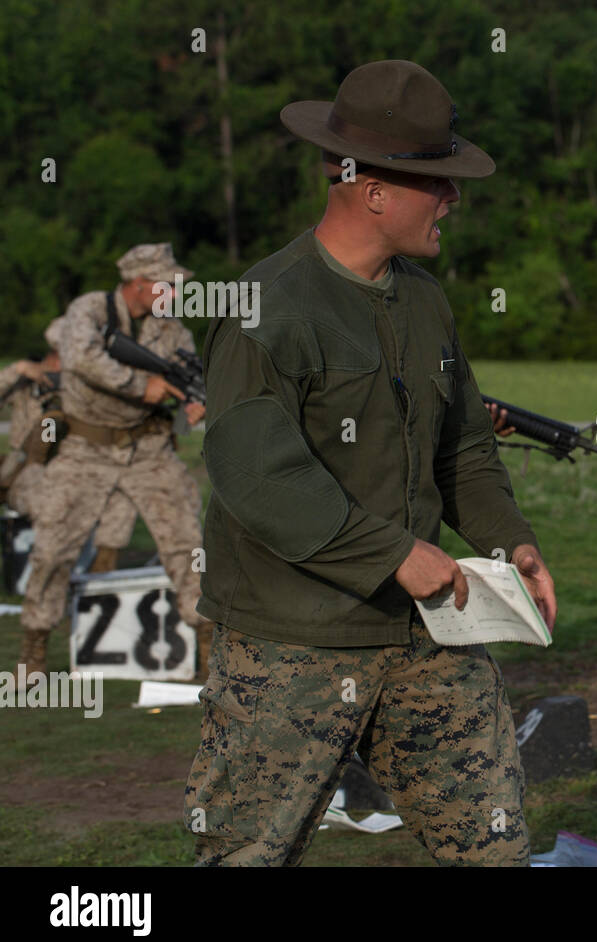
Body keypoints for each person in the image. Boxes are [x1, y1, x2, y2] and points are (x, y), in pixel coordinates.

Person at [185, 59, 556, 867]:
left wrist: (511, 542)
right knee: (245, 856)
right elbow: (260, 478)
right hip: (292, 645)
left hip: (428, 639)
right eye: (440, 182)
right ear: (374, 190)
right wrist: (392, 555)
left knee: (494, 849)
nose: (454, 198)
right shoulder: (265, 307)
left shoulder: (424, 298)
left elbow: (462, 444)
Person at [18, 249, 210, 683]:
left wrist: (189, 410)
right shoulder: (88, 309)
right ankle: (33, 651)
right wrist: (142, 385)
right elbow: (83, 360)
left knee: (187, 545)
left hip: (148, 449)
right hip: (86, 448)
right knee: (52, 550)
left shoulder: (174, 332)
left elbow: (183, 402)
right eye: (166, 283)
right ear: (139, 281)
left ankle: (207, 645)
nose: (175, 292)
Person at [0, 325, 139, 576]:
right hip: (23, 471)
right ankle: (51, 576)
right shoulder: (25, 385)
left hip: (70, 468)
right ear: (53, 356)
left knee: (117, 497)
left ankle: (98, 574)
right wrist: (18, 370)